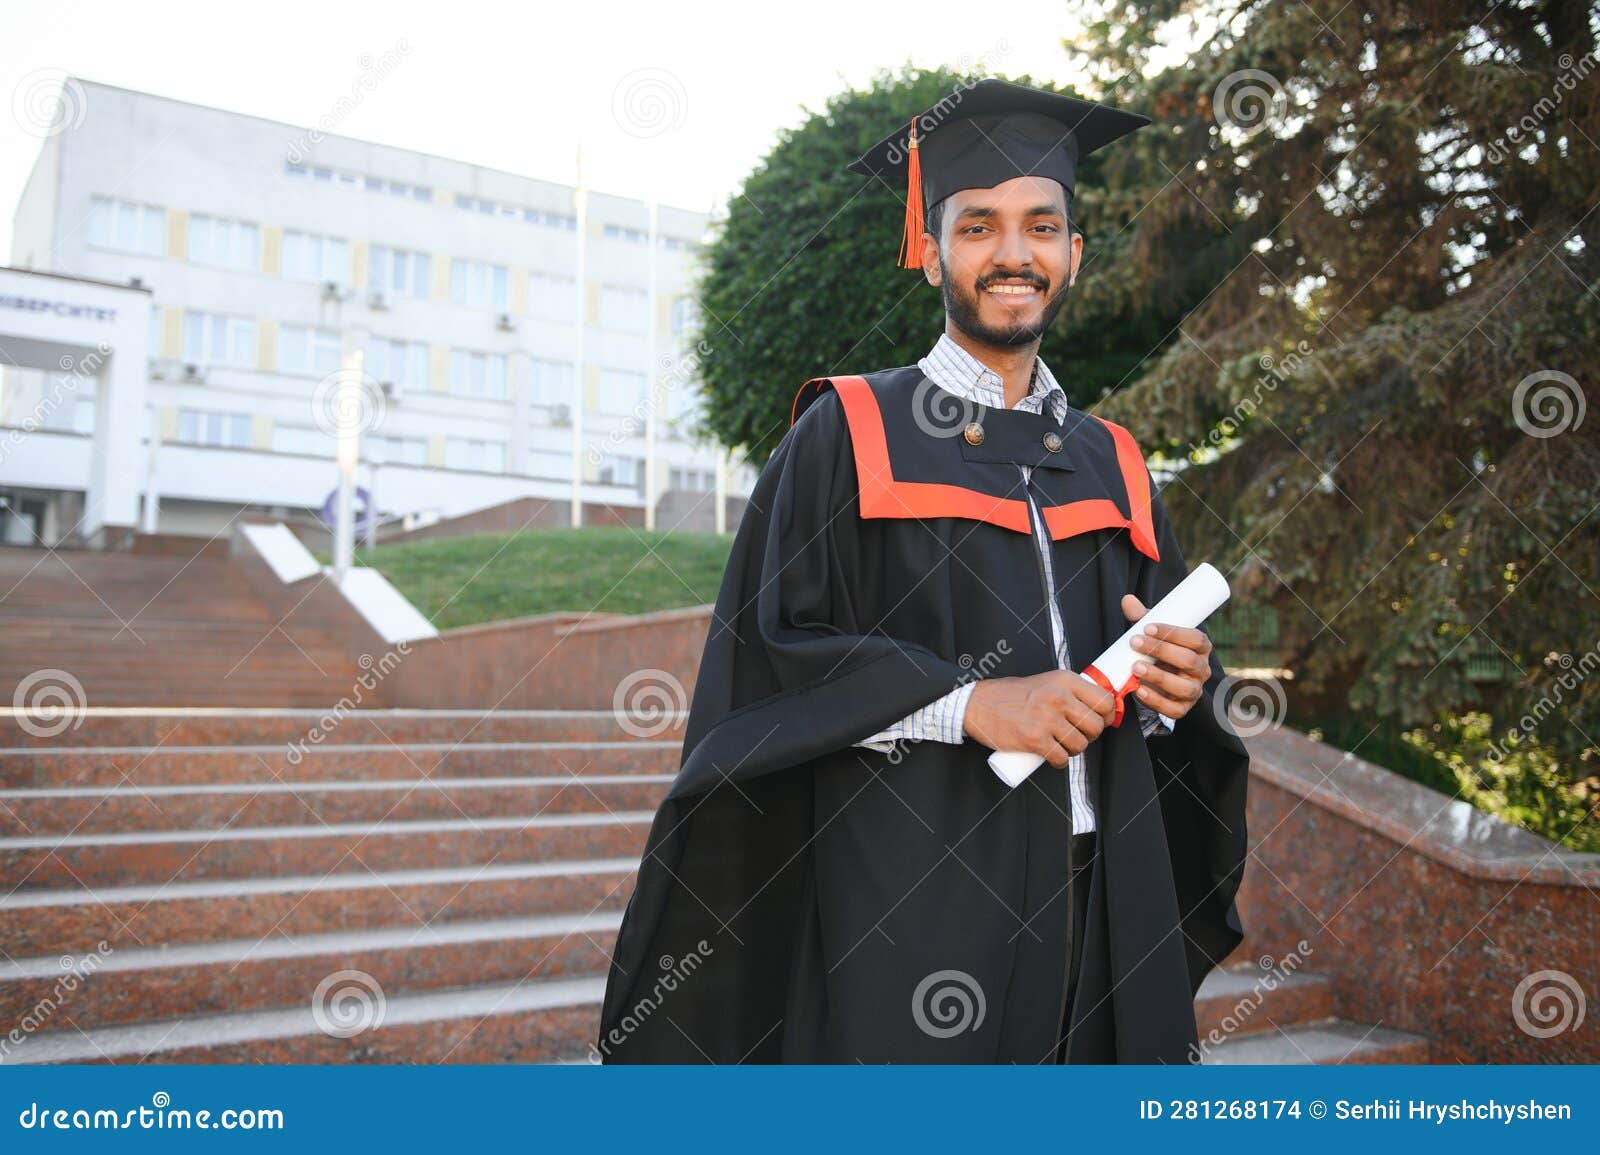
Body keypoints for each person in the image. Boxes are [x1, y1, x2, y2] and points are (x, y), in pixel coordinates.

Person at [596, 77, 1251, 1064]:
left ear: (1073, 254)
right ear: (931, 249)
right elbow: (773, 659)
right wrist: (970, 702)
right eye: (977, 226)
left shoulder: (1112, 460)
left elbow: (1147, 667)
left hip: (1108, 895)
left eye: (1040, 226)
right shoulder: (849, 432)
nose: (1012, 253)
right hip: (912, 900)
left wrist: (1172, 690)